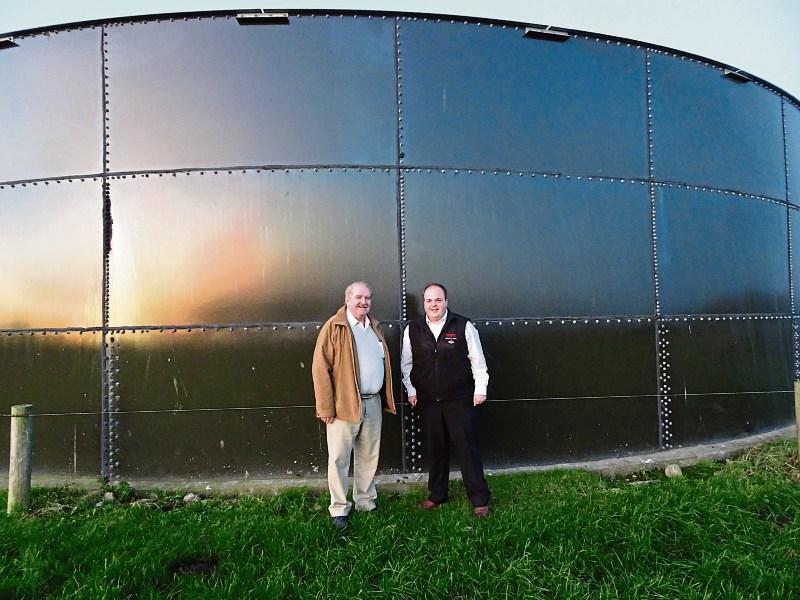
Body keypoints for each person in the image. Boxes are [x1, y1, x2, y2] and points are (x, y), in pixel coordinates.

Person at [401, 282, 491, 518]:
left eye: (438, 300)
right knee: (436, 450)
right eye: (429, 300)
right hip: (429, 401)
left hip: (459, 400)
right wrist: (411, 390)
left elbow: (477, 362)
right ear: (424, 303)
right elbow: (406, 364)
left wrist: (480, 389)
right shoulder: (413, 329)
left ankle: (480, 500)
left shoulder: (463, 325)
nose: (434, 305)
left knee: (467, 449)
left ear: (446, 302)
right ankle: (437, 495)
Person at [312, 281, 396, 530]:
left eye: (368, 297)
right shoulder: (334, 326)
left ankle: (366, 502)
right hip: (343, 405)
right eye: (358, 297)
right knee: (338, 458)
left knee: (368, 456)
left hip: (372, 403)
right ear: (347, 298)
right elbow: (320, 368)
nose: (364, 302)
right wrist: (325, 407)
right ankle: (339, 509)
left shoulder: (374, 327)